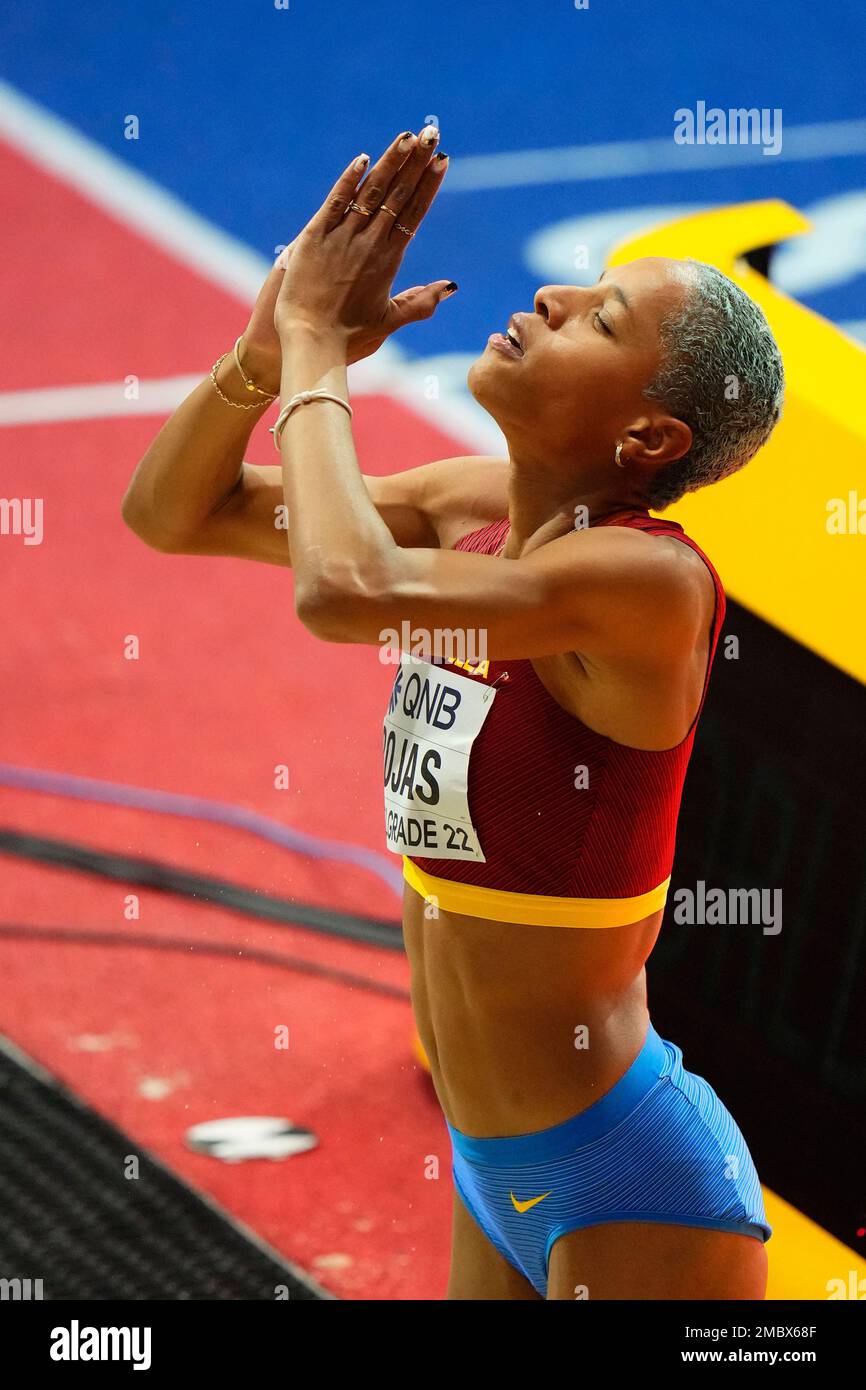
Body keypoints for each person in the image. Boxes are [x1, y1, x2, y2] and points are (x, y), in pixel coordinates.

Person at [122, 124, 784, 1300]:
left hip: (632, 1179)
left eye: (600, 320)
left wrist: (318, 341)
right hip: (491, 1163)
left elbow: (341, 591)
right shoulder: (467, 509)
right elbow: (173, 512)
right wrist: (263, 356)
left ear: (646, 437)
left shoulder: (647, 582)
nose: (553, 294)